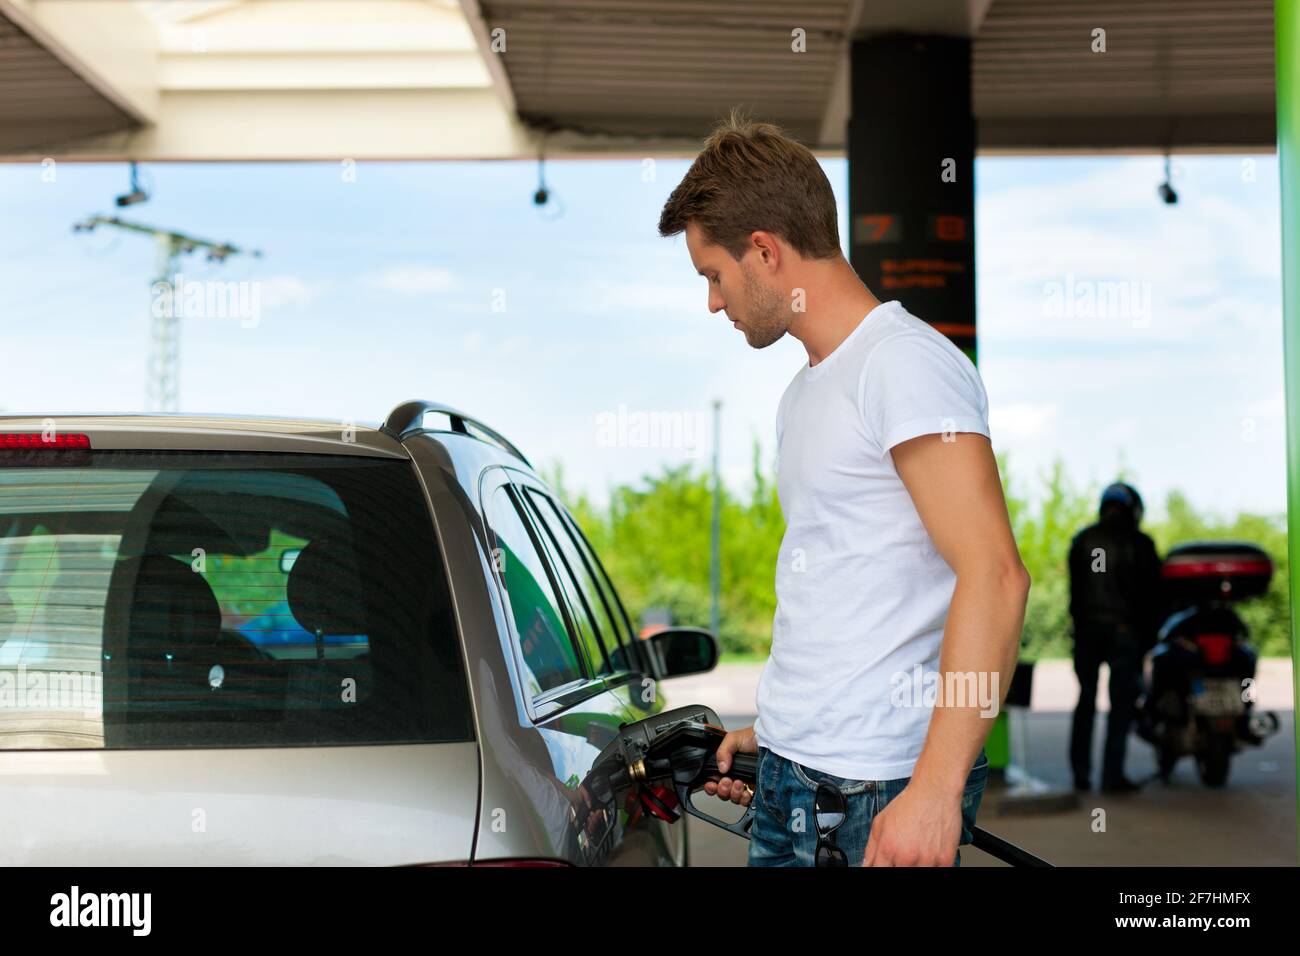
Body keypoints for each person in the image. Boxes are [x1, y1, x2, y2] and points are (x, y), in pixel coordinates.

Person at [657, 112, 1030, 866]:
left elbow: (995, 576)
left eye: (714, 276)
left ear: (764, 250)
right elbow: (853, 585)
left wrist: (932, 790)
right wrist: (780, 731)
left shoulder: (903, 365)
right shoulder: (808, 391)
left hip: (875, 790)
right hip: (802, 778)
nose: (713, 302)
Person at [1068, 482, 1163, 793]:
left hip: (1087, 632)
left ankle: (1080, 775)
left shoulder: (1083, 539)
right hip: (1124, 632)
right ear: (1133, 509)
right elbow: (1153, 599)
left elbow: (1075, 595)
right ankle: (1112, 777)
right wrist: (1147, 640)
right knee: (1120, 706)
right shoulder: (1140, 543)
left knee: (1085, 701)